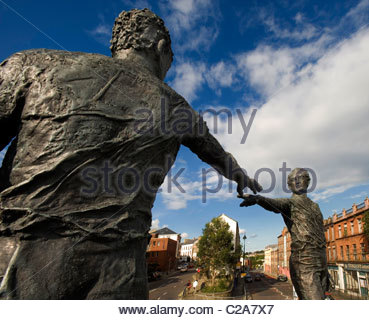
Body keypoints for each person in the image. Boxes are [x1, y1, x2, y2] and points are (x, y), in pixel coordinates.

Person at [0, 9, 261, 299]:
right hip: (121, 275)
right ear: (161, 49)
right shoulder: (178, 109)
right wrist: (242, 177)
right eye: (169, 62)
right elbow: (218, 155)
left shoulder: (33, 65)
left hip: (16, 260)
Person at [239, 168, 328, 300]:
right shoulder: (290, 204)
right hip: (304, 261)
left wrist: (325, 265)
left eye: (300, 177)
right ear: (289, 185)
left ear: (308, 181)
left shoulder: (315, 206)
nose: (297, 181)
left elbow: (320, 233)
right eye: (292, 179)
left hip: (321, 260)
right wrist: (257, 199)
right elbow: (274, 204)